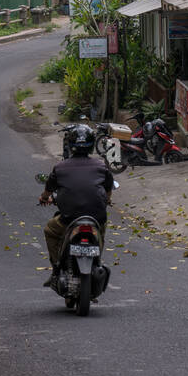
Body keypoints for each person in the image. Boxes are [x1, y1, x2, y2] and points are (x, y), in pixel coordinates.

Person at [39, 123, 113, 287]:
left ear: (70, 146)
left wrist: (44, 198)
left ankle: (56, 267)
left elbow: (48, 190)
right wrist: (106, 201)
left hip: (69, 219)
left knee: (50, 230)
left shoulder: (60, 168)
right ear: (92, 145)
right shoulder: (101, 166)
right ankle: (97, 262)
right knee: (100, 234)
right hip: (96, 218)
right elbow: (108, 190)